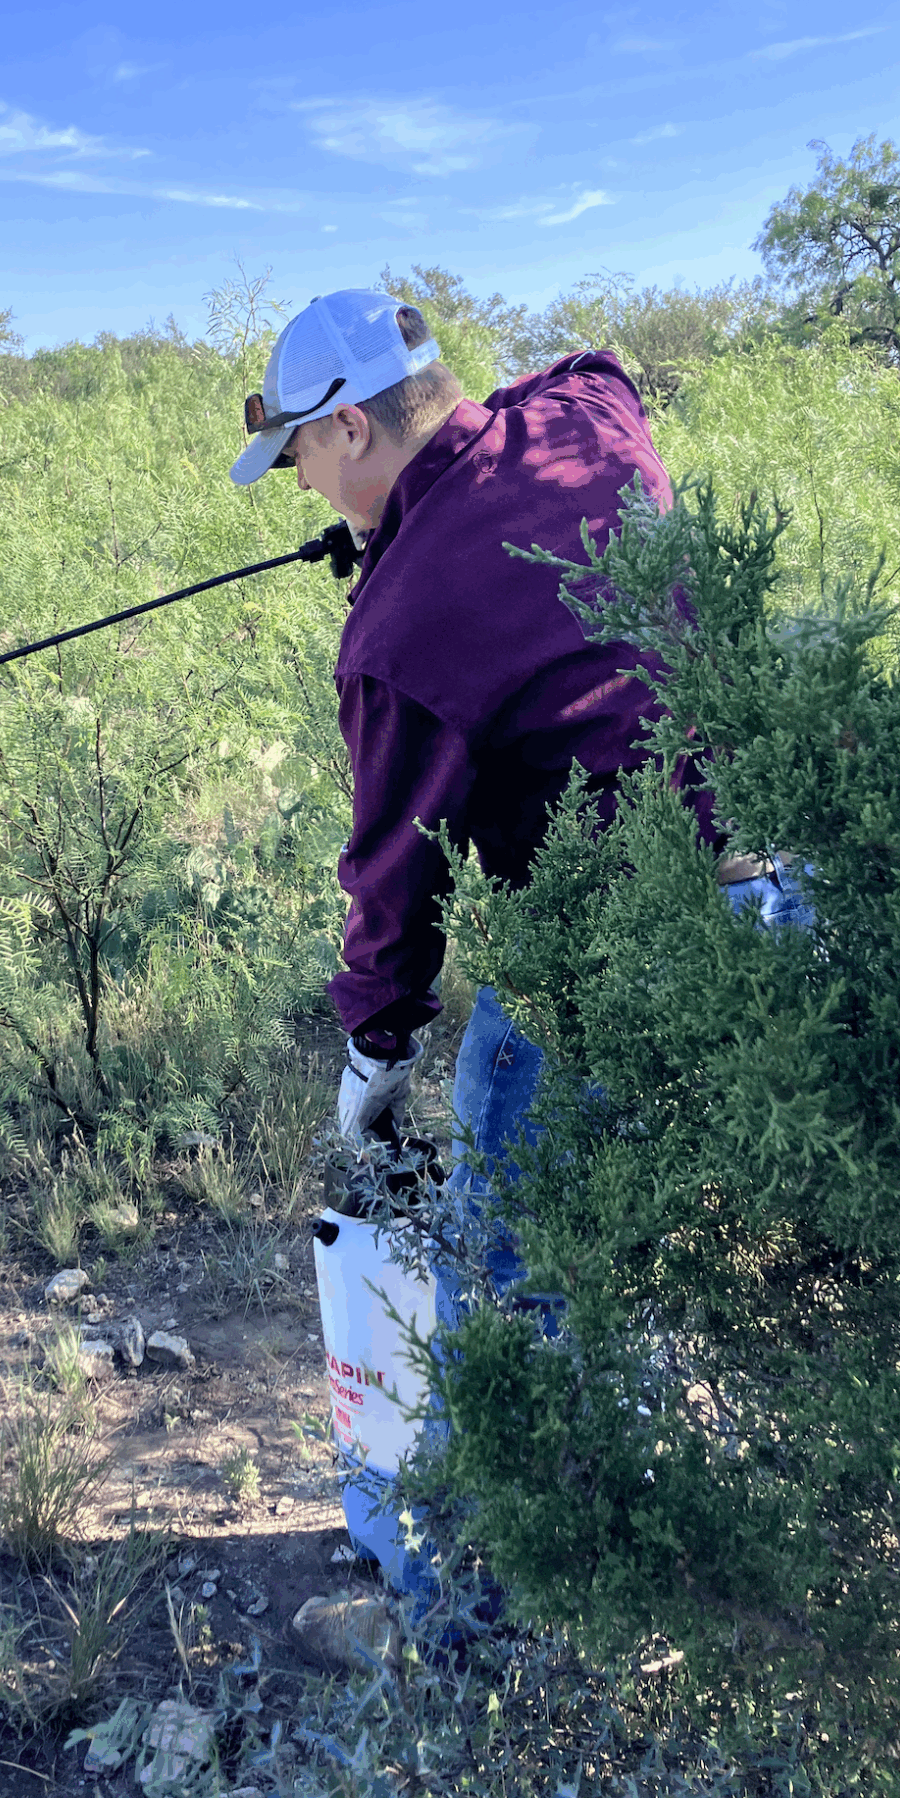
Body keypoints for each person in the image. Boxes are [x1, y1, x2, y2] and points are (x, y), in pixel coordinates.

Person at [228, 285, 714, 1163]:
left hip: (607, 951)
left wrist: (377, 1051)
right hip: (765, 871)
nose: (299, 479)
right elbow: (592, 365)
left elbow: (399, 875)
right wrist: (412, 514)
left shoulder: (394, 635)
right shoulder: (587, 409)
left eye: (297, 451)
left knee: (507, 1265)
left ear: (348, 427)